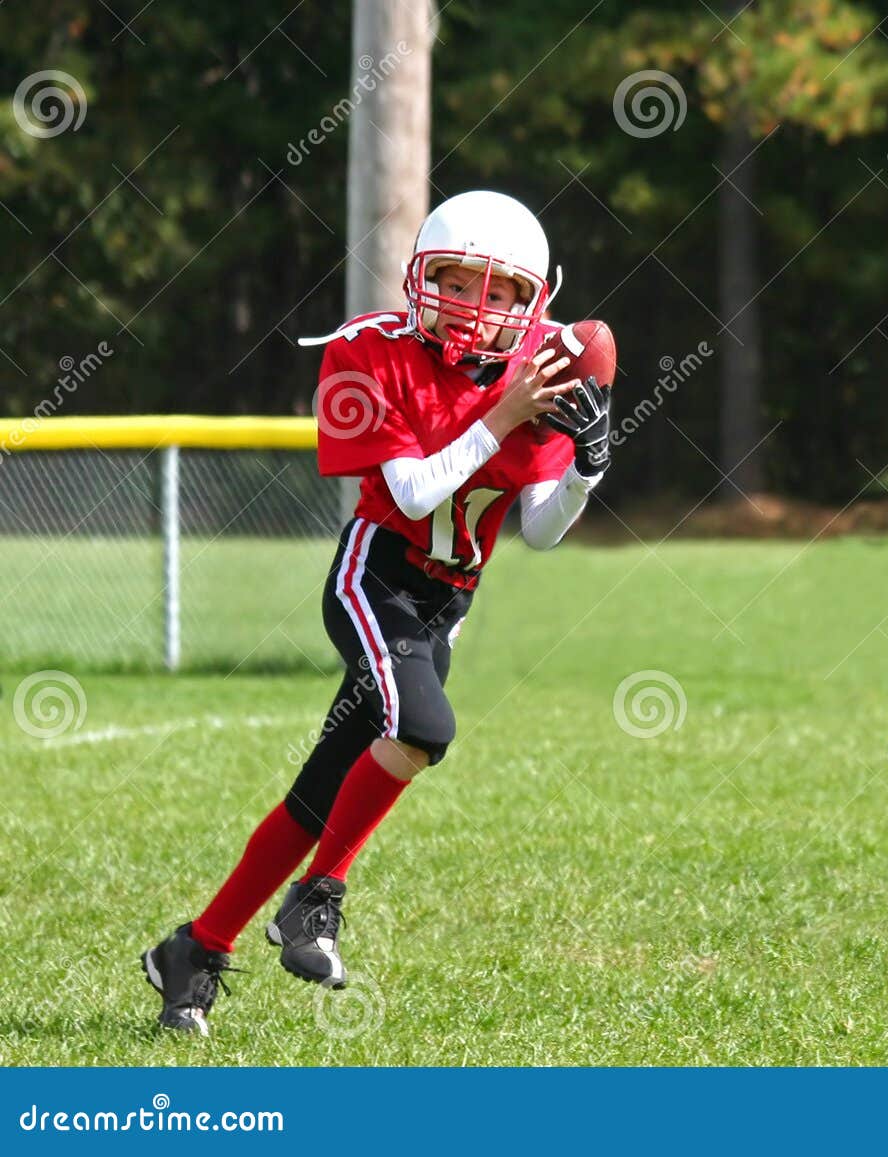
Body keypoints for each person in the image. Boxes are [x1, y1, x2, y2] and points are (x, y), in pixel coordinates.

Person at [141, 190, 613, 1036]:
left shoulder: (542, 368)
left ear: (533, 300)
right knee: (425, 727)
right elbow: (412, 492)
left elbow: (541, 530)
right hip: (377, 575)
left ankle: (195, 949)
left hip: (448, 601)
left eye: (499, 290)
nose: (473, 303)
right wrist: (503, 414)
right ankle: (316, 900)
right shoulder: (370, 350)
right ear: (421, 276)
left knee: (319, 794)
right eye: (457, 281)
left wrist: (587, 467)